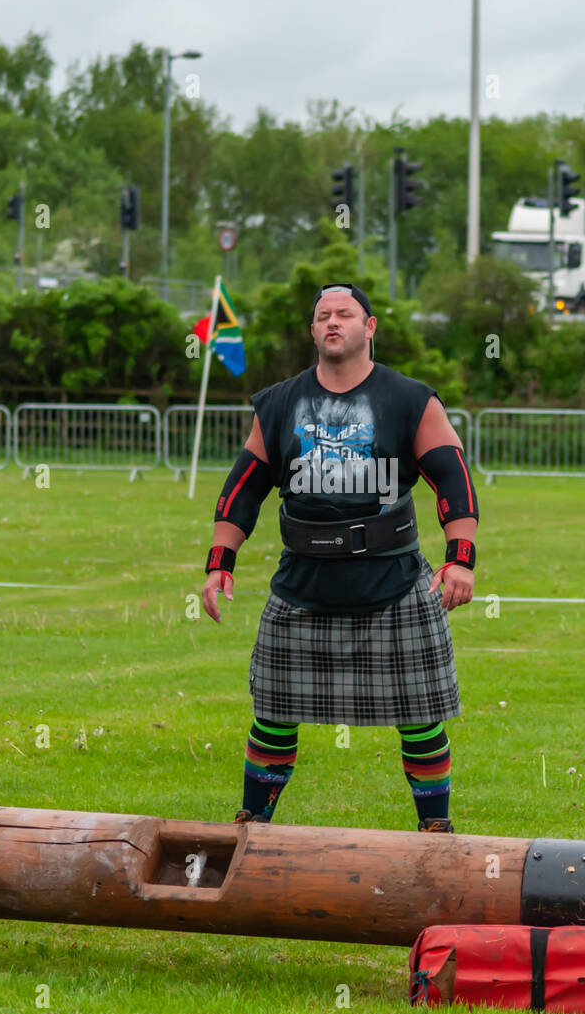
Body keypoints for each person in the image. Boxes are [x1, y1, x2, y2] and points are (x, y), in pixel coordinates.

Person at [202, 282, 478, 832]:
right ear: (312, 330)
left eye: (345, 314)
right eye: (322, 315)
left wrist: (460, 557)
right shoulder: (279, 402)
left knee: (421, 717)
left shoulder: (408, 399)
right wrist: (219, 564)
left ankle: (435, 829)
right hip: (301, 586)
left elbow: (452, 475)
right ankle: (252, 826)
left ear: (369, 327)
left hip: (393, 582)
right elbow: (244, 488)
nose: (333, 321)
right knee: (273, 716)